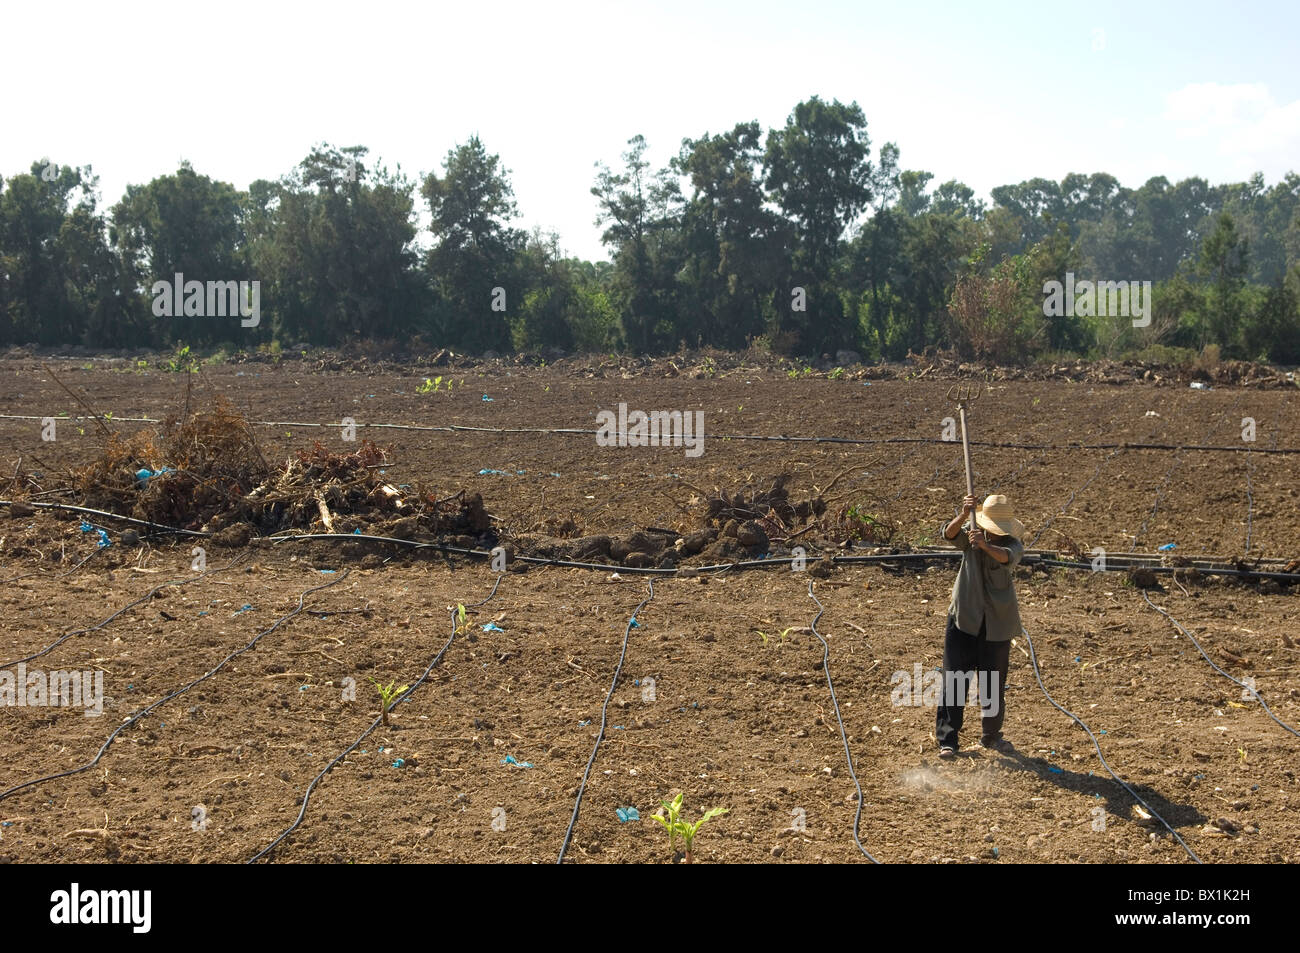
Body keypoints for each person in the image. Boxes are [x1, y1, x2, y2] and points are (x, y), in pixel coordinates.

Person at [936, 493, 1025, 758]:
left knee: (993, 683)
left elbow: (1006, 557)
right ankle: (948, 740)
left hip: (996, 624)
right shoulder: (971, 532)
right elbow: (949, 535)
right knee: (954, 679)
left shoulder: (1013, 544)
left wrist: (984, 546)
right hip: (965, 617)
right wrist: (964, 515)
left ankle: (991, 736)